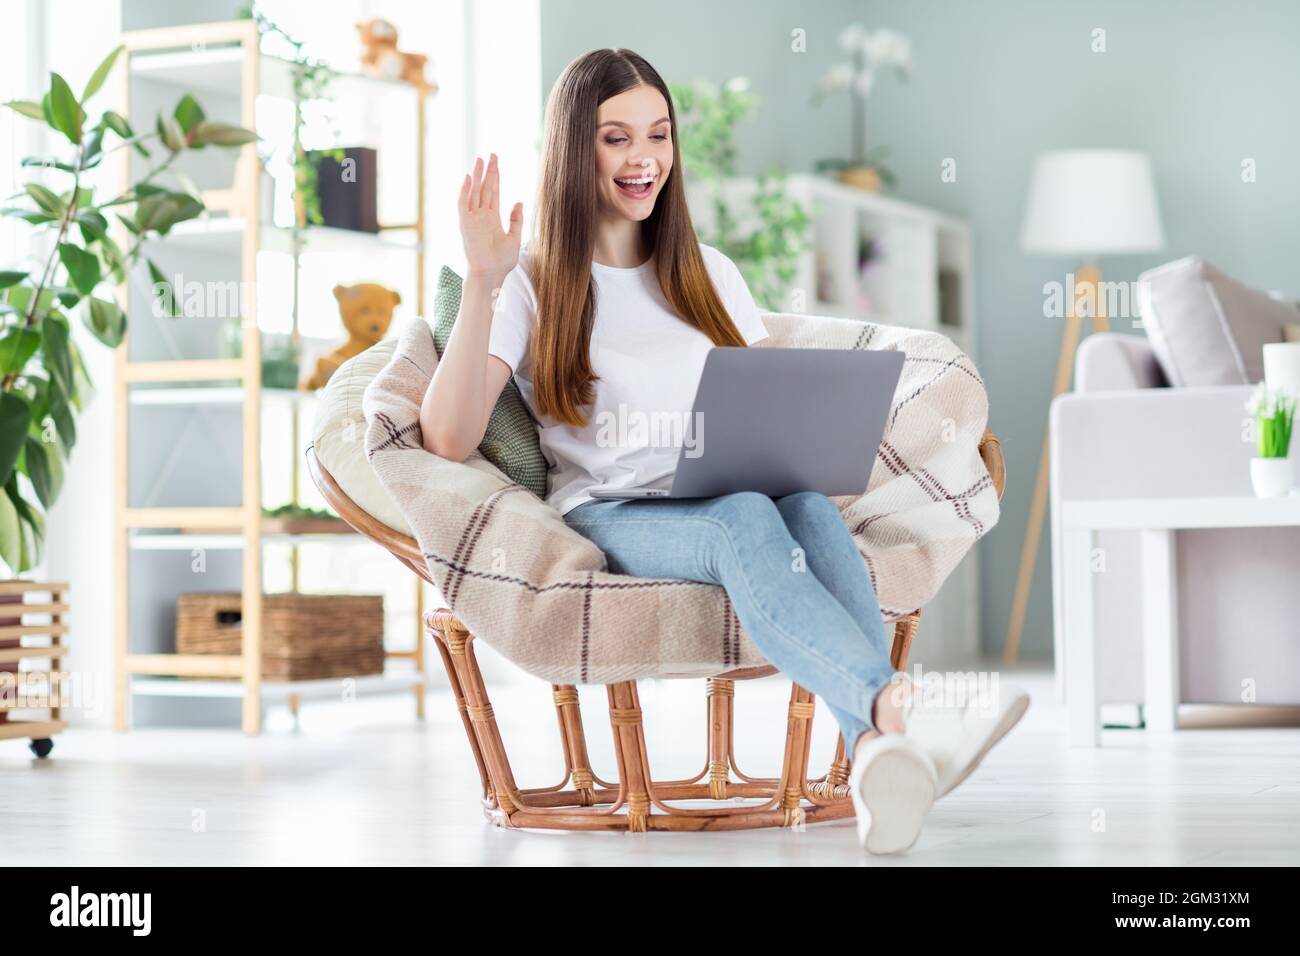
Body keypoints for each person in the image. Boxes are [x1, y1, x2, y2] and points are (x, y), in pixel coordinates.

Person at [421, 48, 1028, 854]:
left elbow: (758, 397)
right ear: (574, 149)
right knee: (743, 514)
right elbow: (448, 435)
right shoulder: (531, 283)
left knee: (806, 505)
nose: (644, 158)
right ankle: (898, 711)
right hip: (611, 509)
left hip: (726, 484)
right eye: (615, 138)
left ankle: (878, 760)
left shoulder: (707, 274)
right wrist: (484, 278)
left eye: (658, 135)